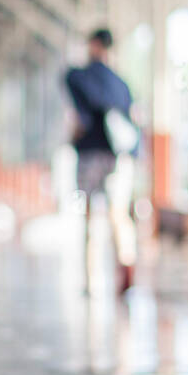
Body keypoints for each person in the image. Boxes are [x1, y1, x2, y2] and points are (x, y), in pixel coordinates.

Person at [65, 27, 138, 295]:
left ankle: (91, 281)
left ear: (93, 46)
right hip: (120, 157)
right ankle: (126, 263)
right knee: (118, 215)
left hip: (89, 154)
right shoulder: (123, 85)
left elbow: (73, 89)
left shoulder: (79, 77)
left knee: (89, 217)